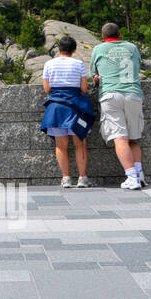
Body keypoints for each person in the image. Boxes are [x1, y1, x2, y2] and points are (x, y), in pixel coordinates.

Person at [89, 22, 146, 190]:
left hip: (111, 95)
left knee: (120, 138)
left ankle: (131, 177)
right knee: (133, 139)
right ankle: (140, 174)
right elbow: (138, 66)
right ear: (120, 34)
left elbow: (95, 75)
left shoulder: (98, 49)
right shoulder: (132, 47)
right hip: (133, 94)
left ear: (103, 37)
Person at [41, 36, 95, 188]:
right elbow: (84, 89)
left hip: (57, 109)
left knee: (60, 145)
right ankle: (82, 178)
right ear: (74, 50)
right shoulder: (78, 64)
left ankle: (66, 179)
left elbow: (47, 89)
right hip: (76, 107)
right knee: (80, 144)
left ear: (58, 49)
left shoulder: (49, 64)